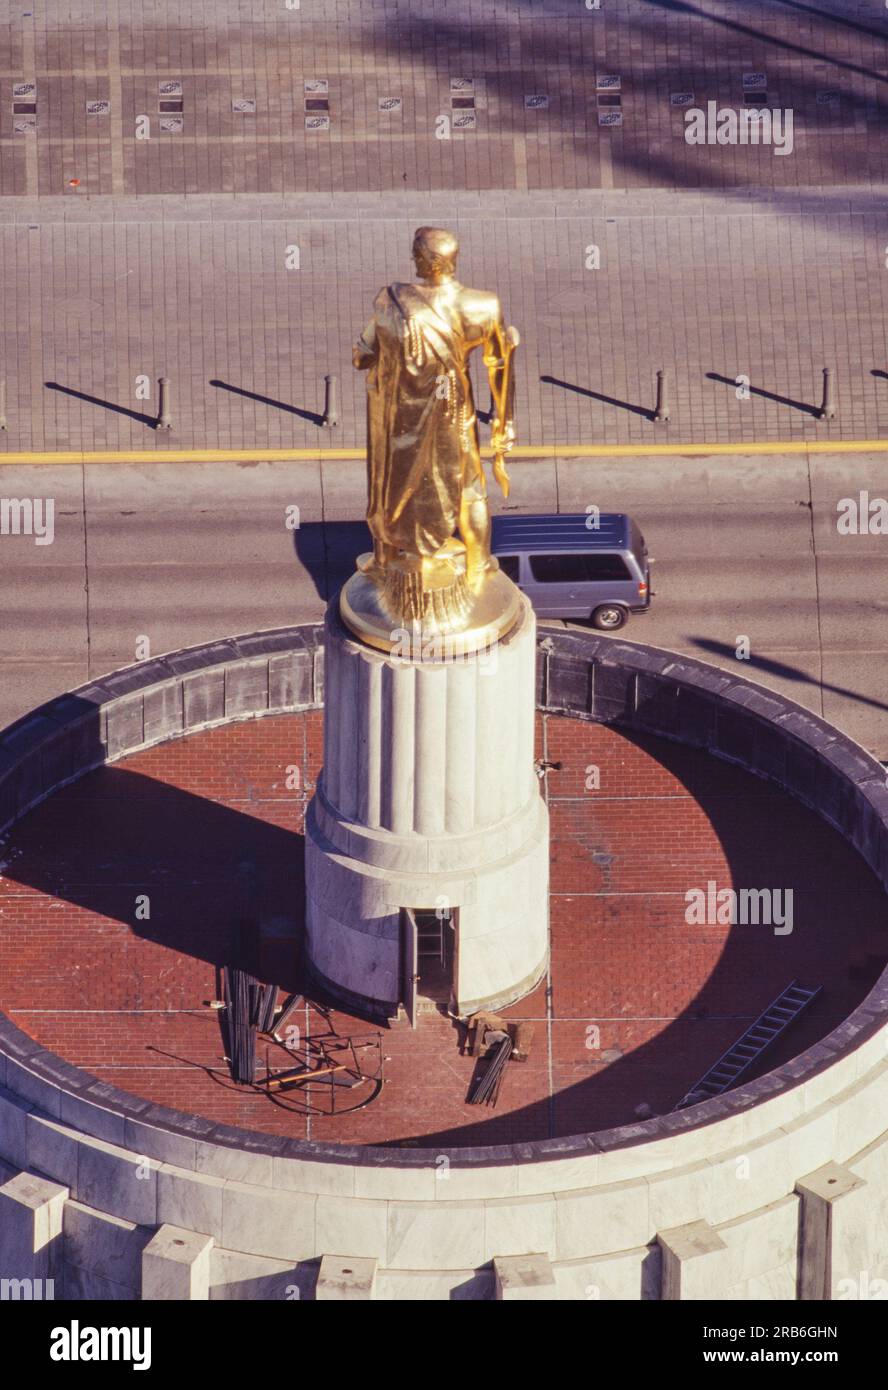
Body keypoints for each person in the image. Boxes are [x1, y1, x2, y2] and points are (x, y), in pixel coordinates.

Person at [353, 226, 517, 594]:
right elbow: (500, 367)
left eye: (416, 254)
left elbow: (362, 356)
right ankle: (478, 566)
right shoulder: (483, 305)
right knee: (470, 489)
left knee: (386, 487)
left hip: (400, 418)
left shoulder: (392, 299)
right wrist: (503, 427)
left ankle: (383, 561)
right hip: (455, 413)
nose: (412, 260)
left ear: (429, 262)